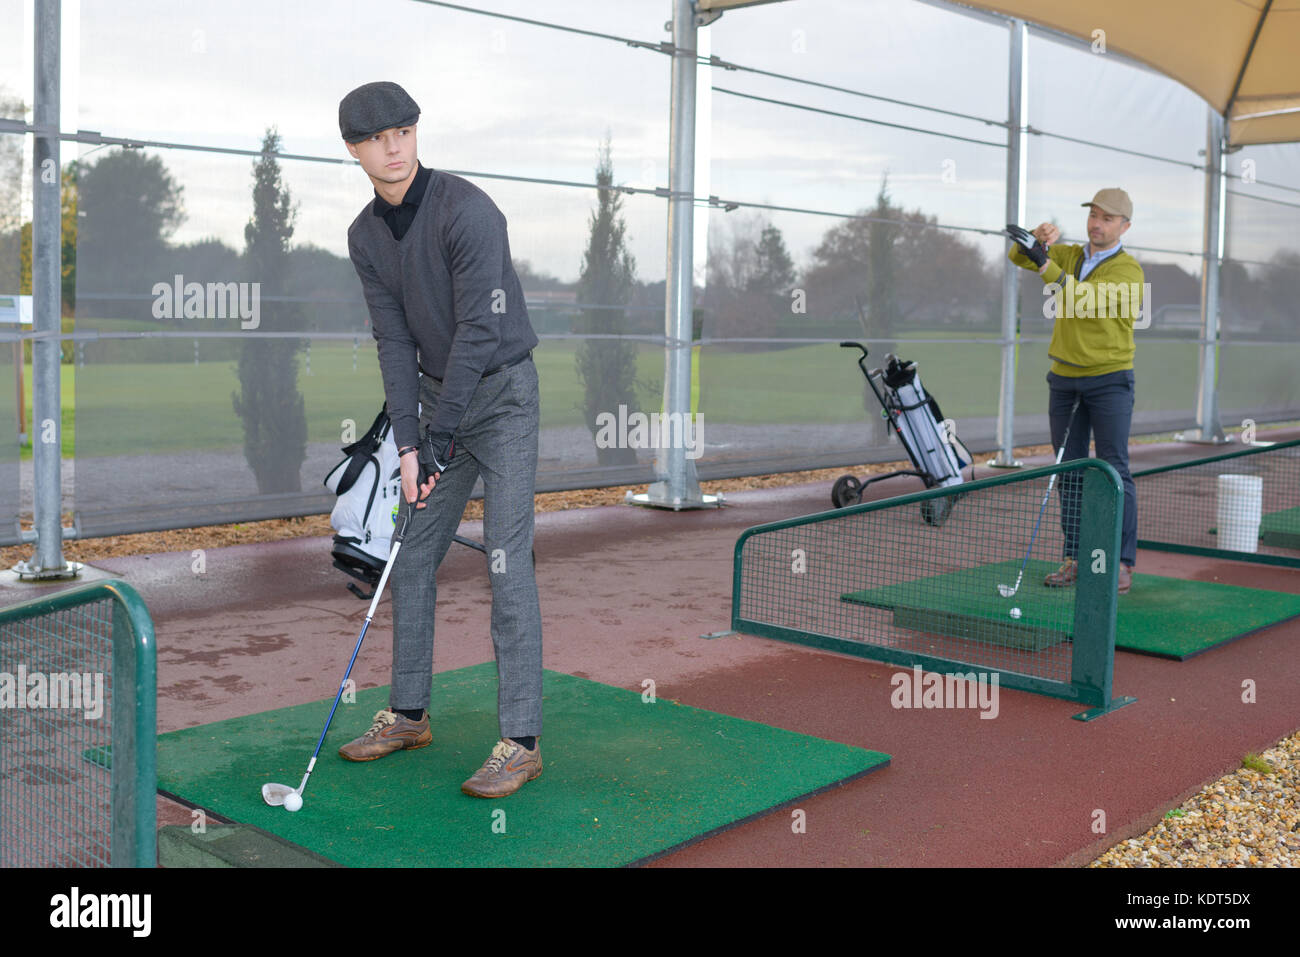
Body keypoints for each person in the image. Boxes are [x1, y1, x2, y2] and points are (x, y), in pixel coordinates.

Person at [336, 81, 544, 797]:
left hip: (504, 394)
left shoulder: (468, 211)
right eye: (376, 138)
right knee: (411, 554)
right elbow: (393, 341)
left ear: (416, 134)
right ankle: (410, 712)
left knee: (507, 561)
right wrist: (406, 445)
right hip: (435, 401)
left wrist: (441, 436)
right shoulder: (366, 237)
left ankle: (520, 740)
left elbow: (482, 331)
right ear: (354, 150)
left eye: (403, 131)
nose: (393, 147)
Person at [1008, 188, 1144, 595]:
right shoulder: (1069, 255)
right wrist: (1037, 239)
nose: (1096, 224)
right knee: (1069, 471)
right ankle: (1074, 556)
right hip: (1065, 380)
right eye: (1094, 215)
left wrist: (1044, 261)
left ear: (1125, 227)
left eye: (1107, 218)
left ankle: (1119, 562)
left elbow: (1080, 299)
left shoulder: (1129, 273)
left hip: (1109, 380)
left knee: (1114, 469)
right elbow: (1019, 258)